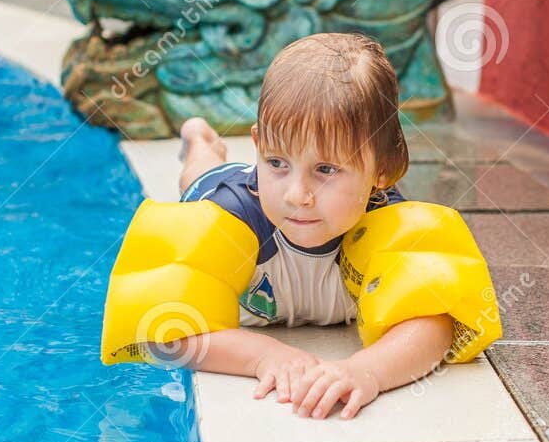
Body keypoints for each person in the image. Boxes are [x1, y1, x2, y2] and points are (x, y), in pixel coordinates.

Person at [101, 32, 499, 420]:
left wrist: (367, 371)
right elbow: (166, 332)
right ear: (258, 146)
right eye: (276, 161)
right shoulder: (228, 218)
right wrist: (263, 355)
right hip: (231, 190)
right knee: (200, 177)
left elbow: (435, 323)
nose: (296, 195)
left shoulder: (387, 226)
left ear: (382, 171)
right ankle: (202, 143)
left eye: (326, 169)